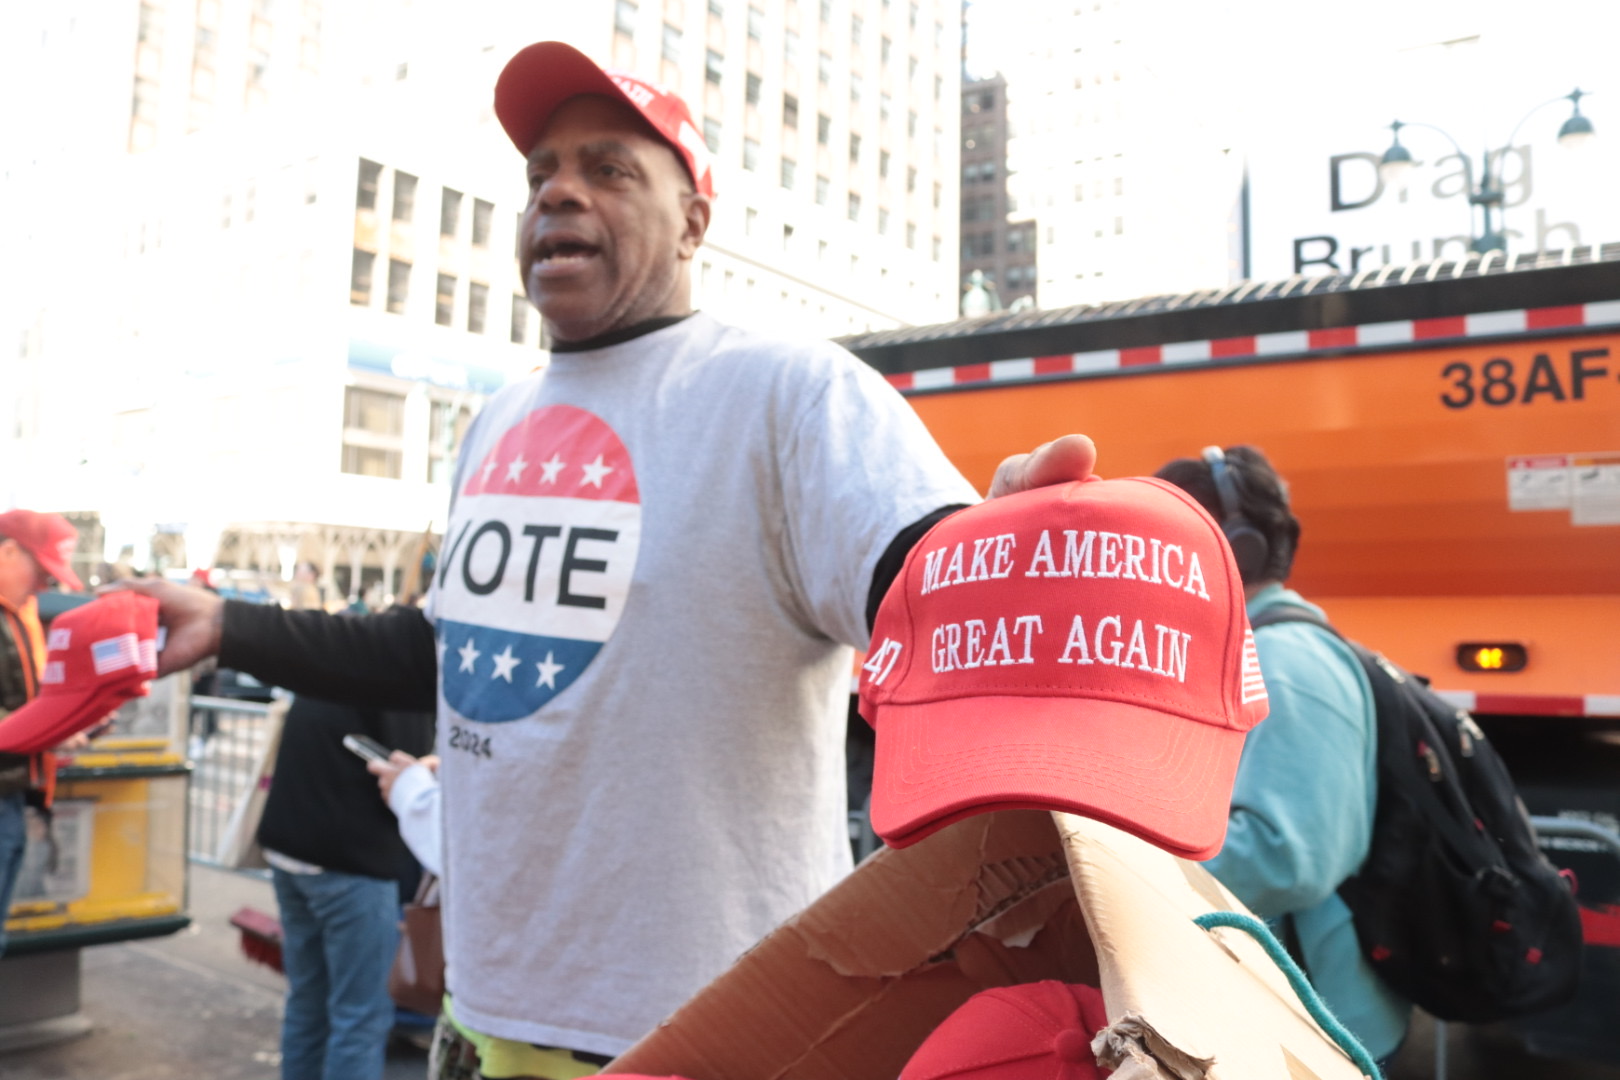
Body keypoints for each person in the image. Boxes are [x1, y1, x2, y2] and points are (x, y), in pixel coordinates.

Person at [120, 40, 1095, 1079]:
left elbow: (924, 583)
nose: (559, 194)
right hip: (488, 1017)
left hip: (715, 1031)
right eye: (541, 173)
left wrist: (1000, 564)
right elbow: (446, 650)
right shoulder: (497, 420)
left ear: (695, 223)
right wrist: (231, 625)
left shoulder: (790, 395)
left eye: (608, 169)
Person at [1154, 445, 1410, 1067]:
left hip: (1317, 1035)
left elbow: (1287, 859)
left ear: (1232, 549)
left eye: (1165, 544)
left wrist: (1114, 859)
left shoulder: (1286, 665)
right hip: (1285, 1013)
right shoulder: (1253, 652)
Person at [255, 689, 436, 1080]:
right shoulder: (396, 674)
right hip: (350, 864)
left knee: (308, 1001)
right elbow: (408, 773)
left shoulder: (332, 657)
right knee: (360, 1016)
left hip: (290, 850)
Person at [0, 509, 83, 957]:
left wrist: (61, 724)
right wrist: (44, 728)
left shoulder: (22, 611)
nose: (43, 586)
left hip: (13, 791)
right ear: (9, 550)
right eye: (40, 571)